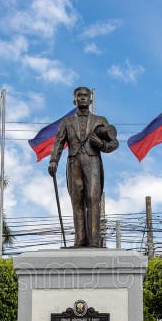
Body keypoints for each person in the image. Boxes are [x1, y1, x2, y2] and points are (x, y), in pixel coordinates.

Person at [49, 87, 118, 247]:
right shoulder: (66, 122)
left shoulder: (100, 120)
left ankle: (94, 241)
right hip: (74, 163)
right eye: (79, 96)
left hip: (92, 161)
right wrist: (54, 160)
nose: (82, 98)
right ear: (74, 100)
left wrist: (100, 144)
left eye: (85, 96)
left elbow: (114, 143)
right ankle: (80, 240)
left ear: (90, 100)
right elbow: (59, 142)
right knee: (77, 200)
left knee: (93, 199)